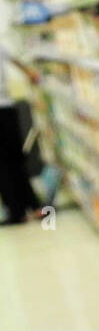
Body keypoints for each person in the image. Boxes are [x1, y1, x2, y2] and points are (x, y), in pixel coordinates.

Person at [0, 50, 43, 226]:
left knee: (2, 166)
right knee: (15, 160)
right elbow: (16, 58)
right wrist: (31, 73)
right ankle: (34, 206)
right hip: (7, 109)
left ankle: (17, 213)